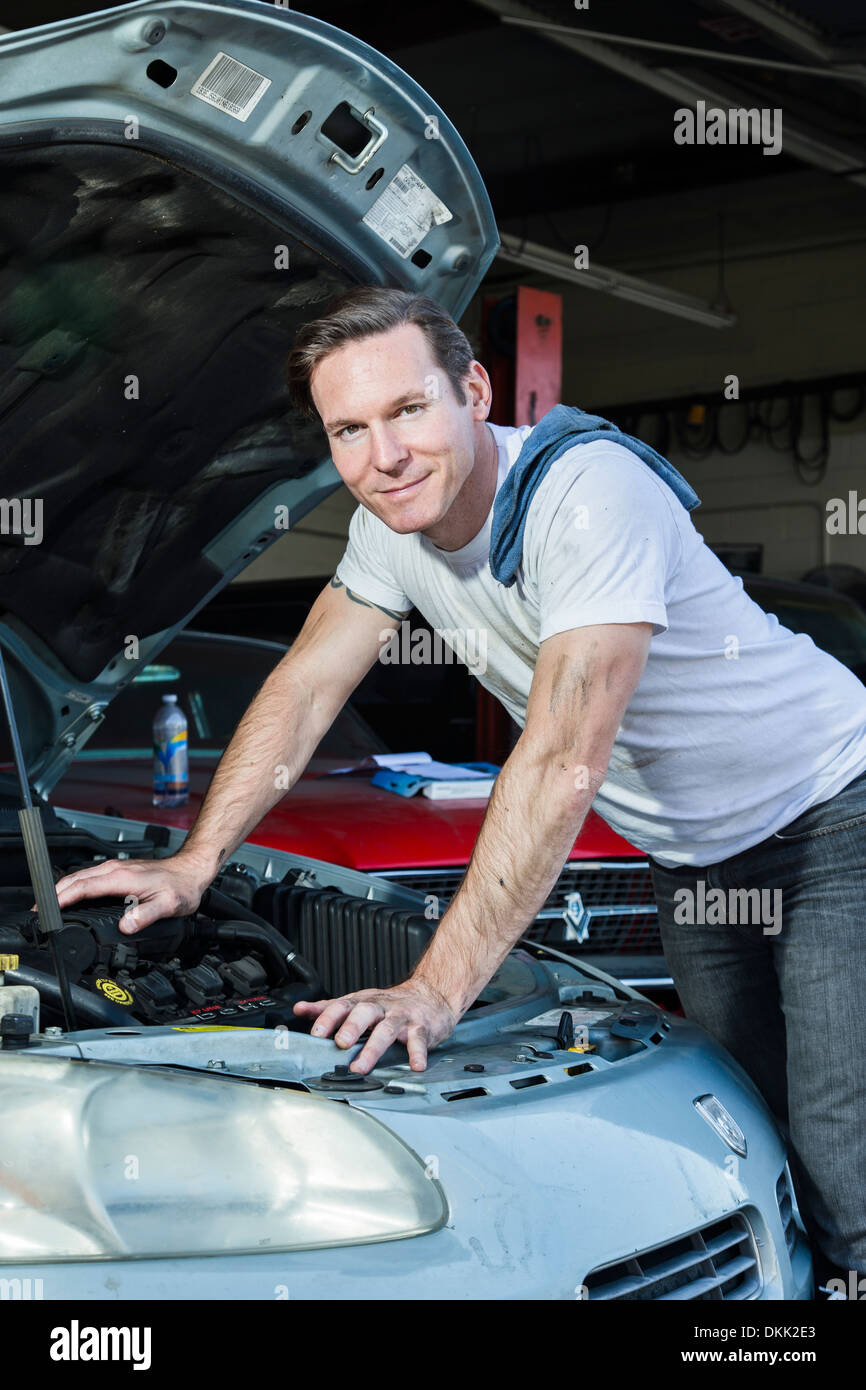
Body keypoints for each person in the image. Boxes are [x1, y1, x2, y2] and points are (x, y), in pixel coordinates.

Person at [54, 286, 866, 1289]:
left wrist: (433, 993)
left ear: (473, 389)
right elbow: (306, 688)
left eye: (406, 411)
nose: (382, 456)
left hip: (832, 809)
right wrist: (197, 861)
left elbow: (564, 755)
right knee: (744, 1119)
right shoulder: (387, 529)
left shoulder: (588, 491)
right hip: (692, 853)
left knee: (839, 1135)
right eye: (347, 429)